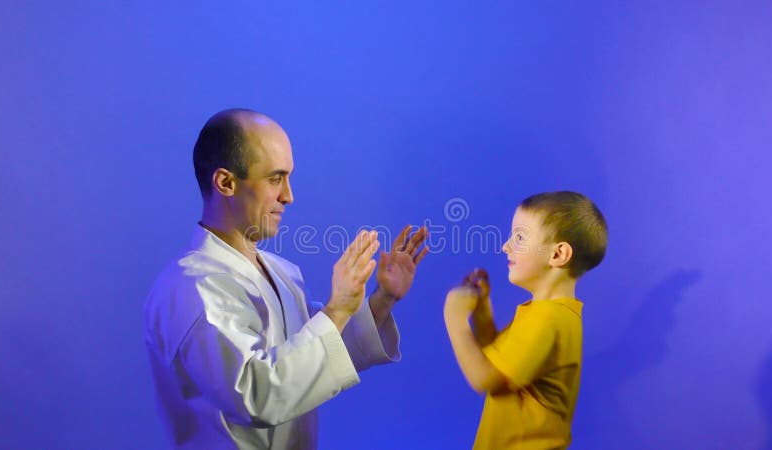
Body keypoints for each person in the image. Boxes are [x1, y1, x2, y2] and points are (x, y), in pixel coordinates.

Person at [144, 109, 428, 449]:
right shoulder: (191, 289)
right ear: (226, 183)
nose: (288, 196)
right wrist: (336, 310)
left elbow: (314, 360)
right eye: (275, 179)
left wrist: (381, 299)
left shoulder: (281, 272)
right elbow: (257, 396)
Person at [443, 191, 607, 449]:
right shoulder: (554, 313)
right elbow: (502, 367)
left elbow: (484, 379)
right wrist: (483, 311)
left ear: (557, 255)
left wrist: (454, 319)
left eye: (519, 237)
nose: (505, 246)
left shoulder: (546, 318)